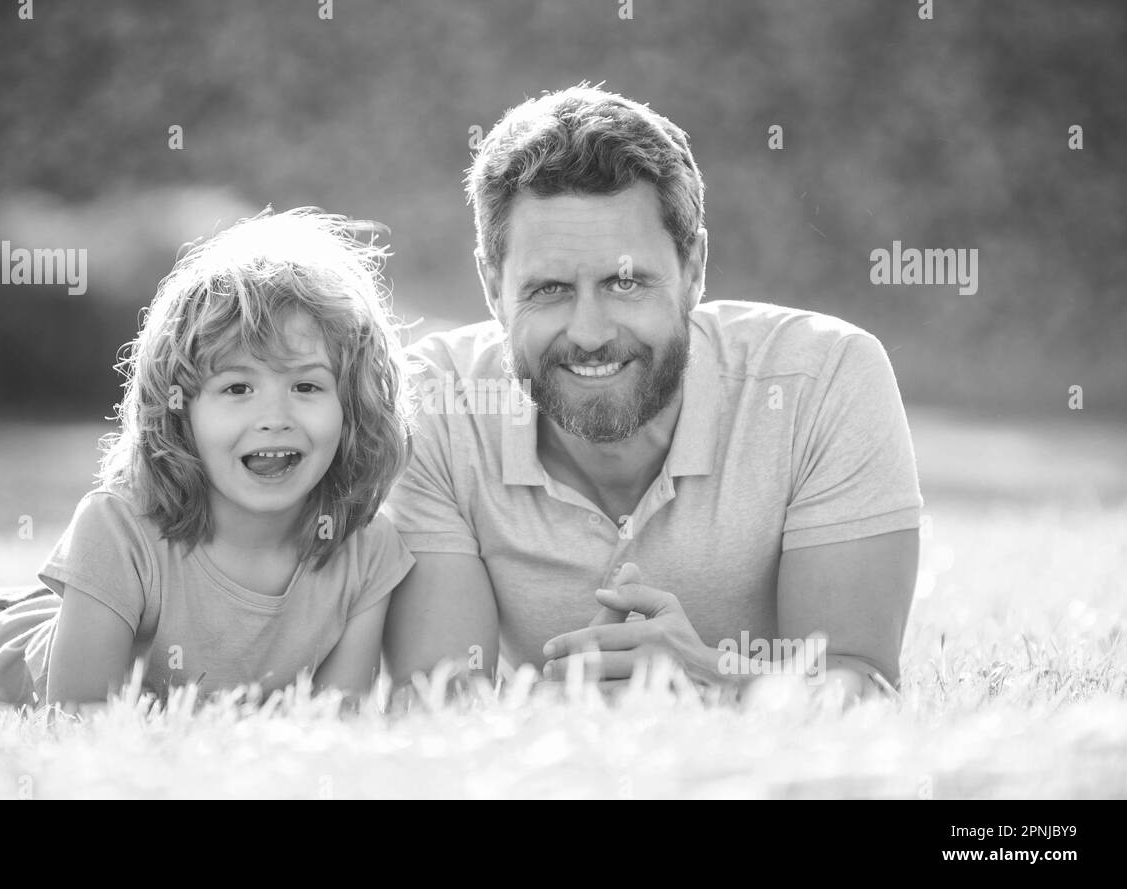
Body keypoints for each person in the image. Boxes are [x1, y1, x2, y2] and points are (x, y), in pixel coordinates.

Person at [382, 85, 923, 703]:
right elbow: (436, 702)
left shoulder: (823, 379)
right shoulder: (430, 407)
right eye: (550, 289)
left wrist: (713, 680)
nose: (589, 334)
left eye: (625, 282)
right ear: (491, 286)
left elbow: (864, 683)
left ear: (693, 267)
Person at [0, 208, 415, 714]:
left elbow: (337, 724)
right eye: (237, 388)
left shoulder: (366, 551)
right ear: (180, 410)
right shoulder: (121, 526)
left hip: (50, 621)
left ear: (354, 407)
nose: (274, 416)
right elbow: (79, 718)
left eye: (307, 387)